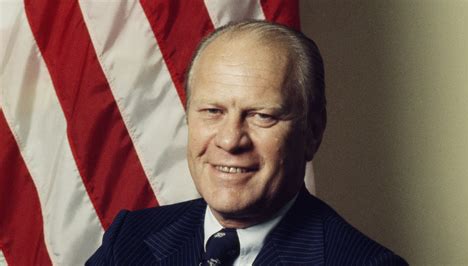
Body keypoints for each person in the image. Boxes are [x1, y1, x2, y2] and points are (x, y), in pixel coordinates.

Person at [87, 20, 407, 265]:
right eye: (213, 111)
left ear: (312, 132)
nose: (230, 140)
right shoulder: (128, 239)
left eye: (261, 116)